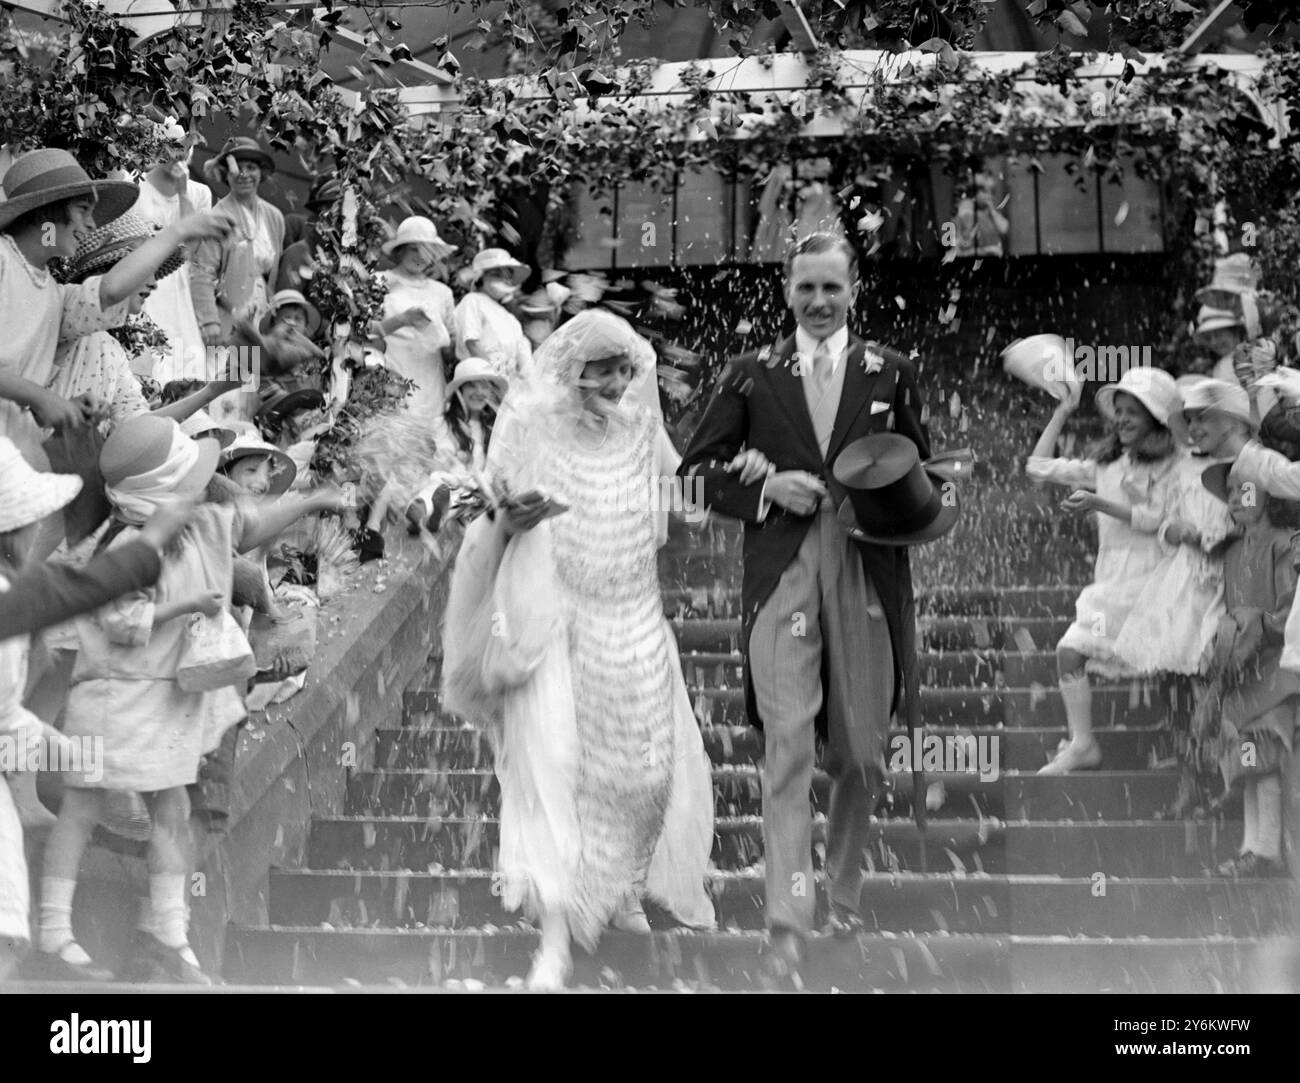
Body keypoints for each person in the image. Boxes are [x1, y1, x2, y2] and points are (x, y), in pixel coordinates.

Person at [677, 232, 931, 984]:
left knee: (860, 749)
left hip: (862, 570)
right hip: (782, 570)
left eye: (832, 288)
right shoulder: (751, 374)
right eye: (805, 288)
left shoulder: (892, 371)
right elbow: (692, 478)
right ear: (785, 290)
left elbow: (925, 476)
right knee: (786, 746)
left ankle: (844, 893)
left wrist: (893, 493)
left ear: (855, 289)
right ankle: (787, 917)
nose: (819, 302)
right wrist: (764, 491)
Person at [441, 309, 714, 990]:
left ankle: (620, 886)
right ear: (572, 370)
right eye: (605, 369)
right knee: (558, 773)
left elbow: (692, 490)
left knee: (644, 771)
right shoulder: (533, 424)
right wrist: (508, 516)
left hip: (635, 623)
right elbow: (488, 508)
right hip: (559, 622)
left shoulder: (642, 426)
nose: (620, 382)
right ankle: (555, 937)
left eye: (626, 369)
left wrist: (720, 484)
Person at [35, 415, 345, 982]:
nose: (205, 490)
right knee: (81, 808)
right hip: (112, 698)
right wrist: (186, 606)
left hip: (161, 701)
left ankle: (168, 931)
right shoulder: (130, 546)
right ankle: (55, 929)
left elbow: (246, 525)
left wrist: (316, 498)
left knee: (173, 809)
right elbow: (121, 620)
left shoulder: (195, 530)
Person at [0, 436, 193, 981]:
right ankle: (59, 936)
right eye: (35, 518)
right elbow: (77, 594)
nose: (43, 529)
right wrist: (153, 541)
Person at [0, 147, 231, 448]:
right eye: (83, 209)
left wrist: (65, 407)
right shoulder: (4, 260)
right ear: (46, 211)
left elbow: (109, 291)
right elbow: (110, 289)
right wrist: (177, 231)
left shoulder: (55, 297)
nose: (92, 224)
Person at [1025, 366, 1182, 774]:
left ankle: (1182, 747)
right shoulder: (1106, 466)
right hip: (1112, 586)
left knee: (1169, 663)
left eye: (1135, 411)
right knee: (1070, 650)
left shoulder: (1174, 466)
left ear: (1156, 418)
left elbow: (1154, 518)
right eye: (1121, 410)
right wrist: (1062, 412)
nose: (1124, 419)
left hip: (1158, 582)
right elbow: (1037, 467)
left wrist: (1097, 504)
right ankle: (1083, 743)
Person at [1199, 462, 1298, 878]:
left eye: (1248, 490)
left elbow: (1288, 606)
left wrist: (1255, 625)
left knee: (1264, 752)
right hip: (1242, 666)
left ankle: (1266, 847)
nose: (1238, 497)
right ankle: (1252, 845)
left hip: (1275, 663)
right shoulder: (1232, 550)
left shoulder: (1284, 544)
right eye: (1233, 491)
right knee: (1247, 752)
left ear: (1270, 497)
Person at [1110, 378, 1239, 676]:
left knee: (1218, 650)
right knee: (1182, 652)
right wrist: (1176, 530)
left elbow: (1252, 516)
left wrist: (1227, 534)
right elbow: (1167, 520)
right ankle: (1188, 716)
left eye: (1203, 419)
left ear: (1228, 423)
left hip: (1228, 569)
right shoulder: (1184, 470)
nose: (1193, 428)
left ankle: (1221, 713)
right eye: (1189, 420)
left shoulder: (1243, 466)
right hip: (1188, 575)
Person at [191, 137, 284, 420]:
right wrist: (209, 322)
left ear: (262, 173)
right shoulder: (217, 217)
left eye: (251, 167)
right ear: (224, 173)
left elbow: (271, 274)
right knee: (220, 389)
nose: (244, 174)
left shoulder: (274, 216)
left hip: (256, 317)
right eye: (237, 167)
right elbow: (201, 273)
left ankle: (241, 447)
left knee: (246, 389)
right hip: (225, 314)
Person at [133, 126, 214, 384]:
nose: (178, 156)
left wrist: (182, 193)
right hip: (140, 275)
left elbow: (190, 245)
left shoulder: (200, 193)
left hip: (175, 282)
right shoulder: (136, 183)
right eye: (172, 147)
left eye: (185, 149)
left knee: (183, 360)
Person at [376, 216, 458, 432]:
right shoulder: (379, 282)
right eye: (414, 249)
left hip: (431, 390)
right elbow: (362, 334)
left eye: (427, 251)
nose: (421, 256)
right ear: (400, 250)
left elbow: (451, 347)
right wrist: (403, 320)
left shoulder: (443, 293)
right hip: (390, 385)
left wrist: (446, 340)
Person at [405, 357, 504, 534]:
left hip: (478, 490)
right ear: (459, 390)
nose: (479, 391)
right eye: (472, 385)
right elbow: (433, 462)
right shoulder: (443, 424)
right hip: (447, 480)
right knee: (441, 485)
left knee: (468, 496)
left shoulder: (493, 429)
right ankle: (424, 510)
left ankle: (434, 515)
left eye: (484, 386)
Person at [455, 248, 532, 381]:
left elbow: (524, 361)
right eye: (496, 274)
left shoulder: (511, 319)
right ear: (480, 278)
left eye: (507, 276)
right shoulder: (473, 300)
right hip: (478, 381)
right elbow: (472, 343)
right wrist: (495, 376)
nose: (503, 279)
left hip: (506, 387)